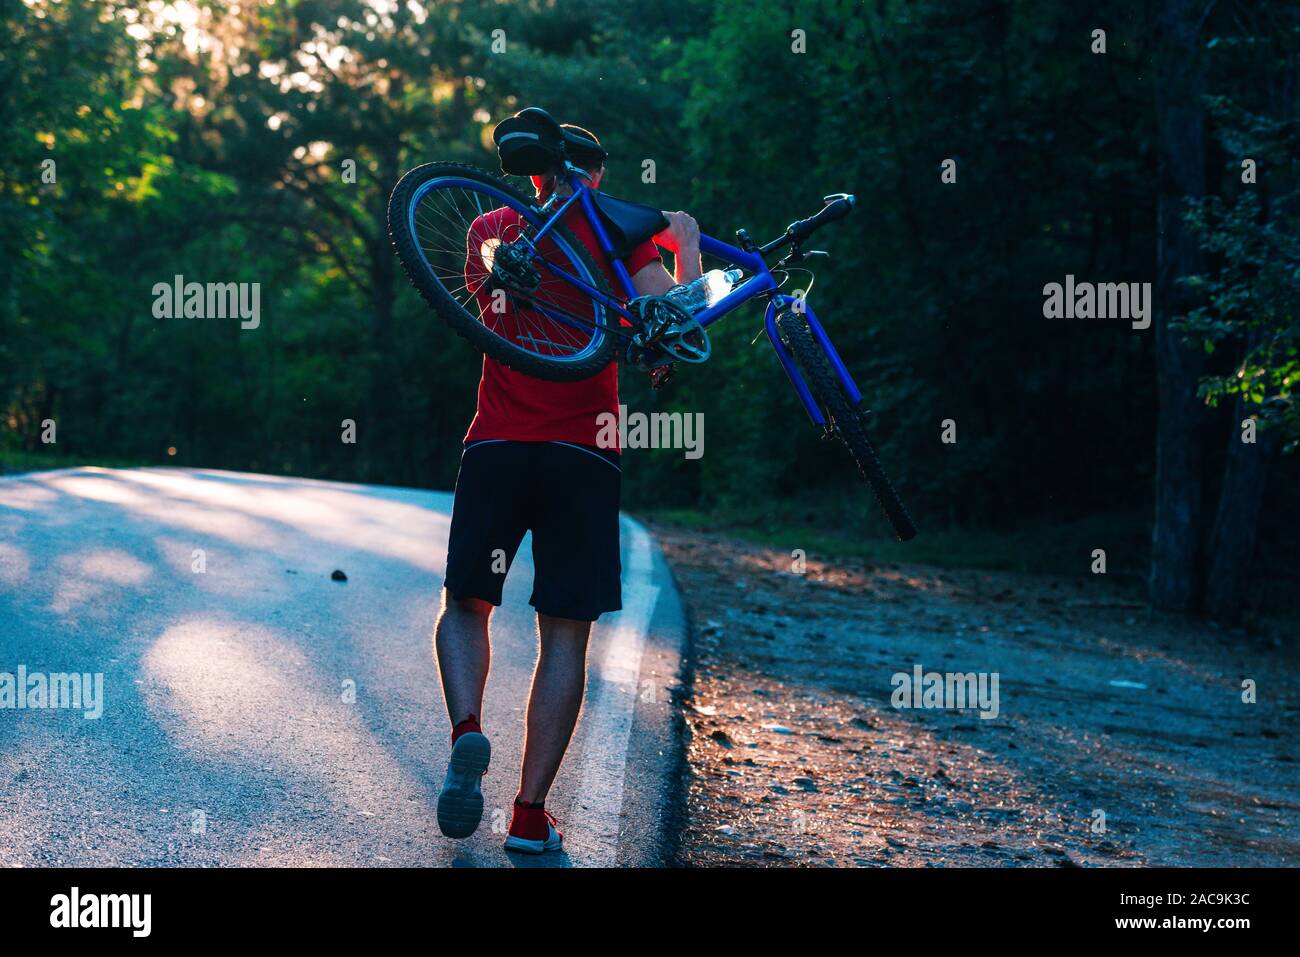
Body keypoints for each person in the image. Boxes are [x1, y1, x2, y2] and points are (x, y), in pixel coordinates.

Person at [434, 116, 701, 853]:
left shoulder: (489, 229)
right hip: (584, 451)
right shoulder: (619, 239)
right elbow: (677, 326)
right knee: (564, 633)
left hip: (496, 443)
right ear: (598, 176)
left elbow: (491, 301)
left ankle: (466, 729)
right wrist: (686, 245)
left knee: (467, 603)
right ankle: (528, 815)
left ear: (535, 172)